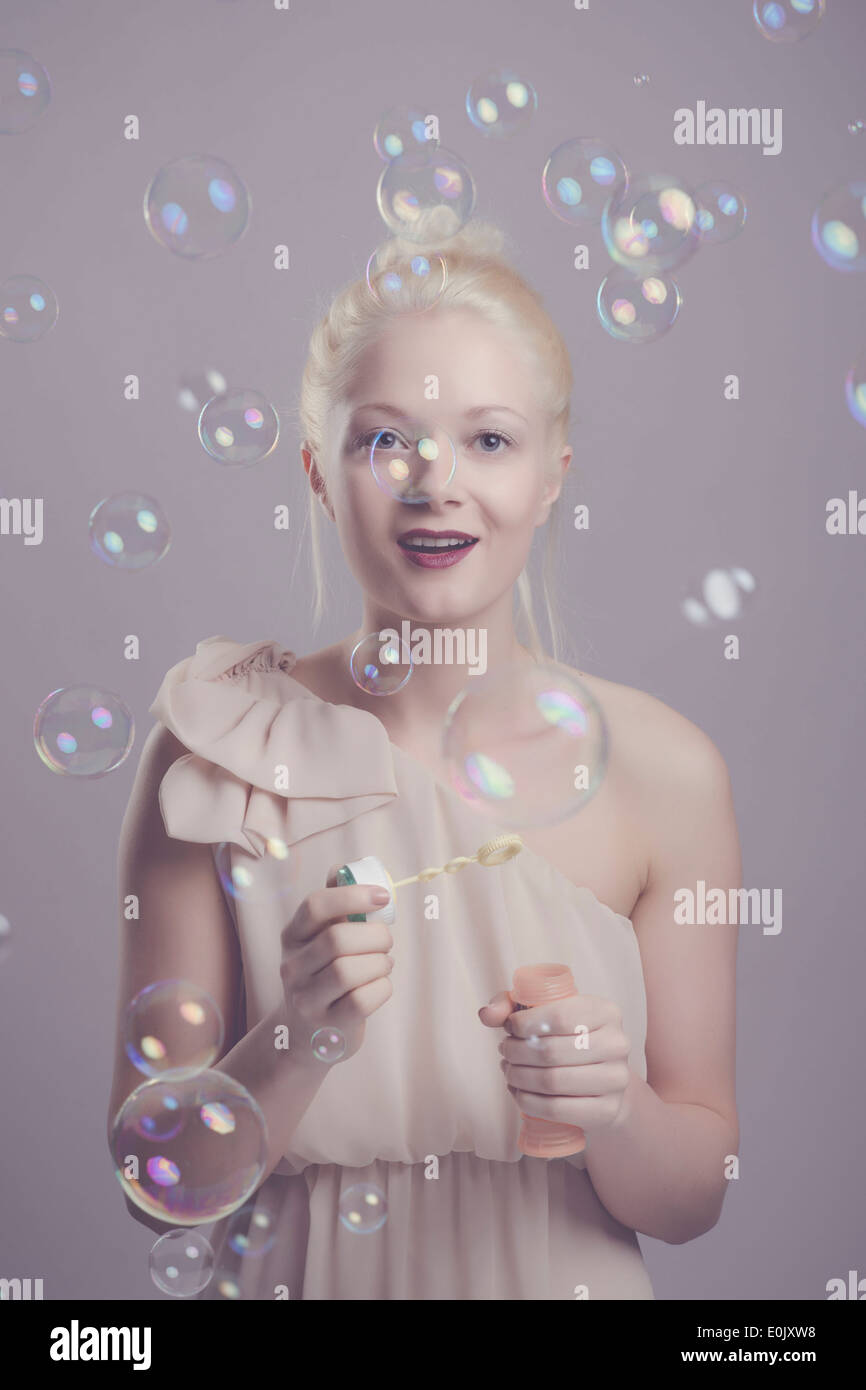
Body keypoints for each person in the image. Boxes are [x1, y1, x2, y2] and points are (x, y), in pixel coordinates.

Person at [107, 218, 741, 1300]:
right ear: (317, 470)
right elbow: (151, 1176)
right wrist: (298, 1037)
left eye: (488, 440)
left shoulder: (663, 771)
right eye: (383, 439)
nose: (432, 480)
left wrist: (613, 1109)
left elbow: (693, 1199)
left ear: (552, 473)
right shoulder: (215, 746)